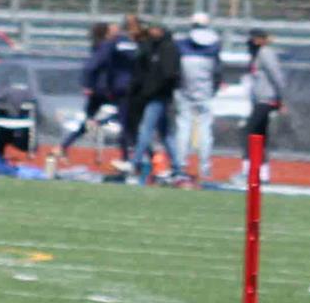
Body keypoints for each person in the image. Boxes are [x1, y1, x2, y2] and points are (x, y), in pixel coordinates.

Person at [61, 22, 132, 160]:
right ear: (107, 32)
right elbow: (93, 67)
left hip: (102, 89)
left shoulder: (106, 45)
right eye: (113, 28)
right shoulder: (108, 46)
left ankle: (65, 144)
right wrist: (88, 85)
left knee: (91, 120)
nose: (117, 30)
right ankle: (126, 158)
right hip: (106, 89)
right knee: (125, 121)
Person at [127, 20, 181, 185]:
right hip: (152, 95)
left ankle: (135, 163)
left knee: (146, 129)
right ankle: (178, 167)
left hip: (159, 96)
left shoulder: (168, 48)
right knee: (165, 133)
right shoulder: (151, 47)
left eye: (156, 29)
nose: (152, 32)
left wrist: (154, 89)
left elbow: (168, 74)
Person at [175, 13, 223, 183]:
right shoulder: (214, 45)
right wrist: (214, 88)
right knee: (205, 130)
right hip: (205, 92)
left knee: (183, 128)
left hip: (185, 90)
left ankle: (180, 165)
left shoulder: (182, 45)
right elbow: (217, 71)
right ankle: (204, 167)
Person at [242, 28, 282, 184]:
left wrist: (280, 97)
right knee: (259, 135)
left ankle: (249, 170)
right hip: (260, 99)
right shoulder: (257, 53)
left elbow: (276, 74)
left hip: (267, 99)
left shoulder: (265, 53)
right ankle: (263, 173)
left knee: (250, 132)